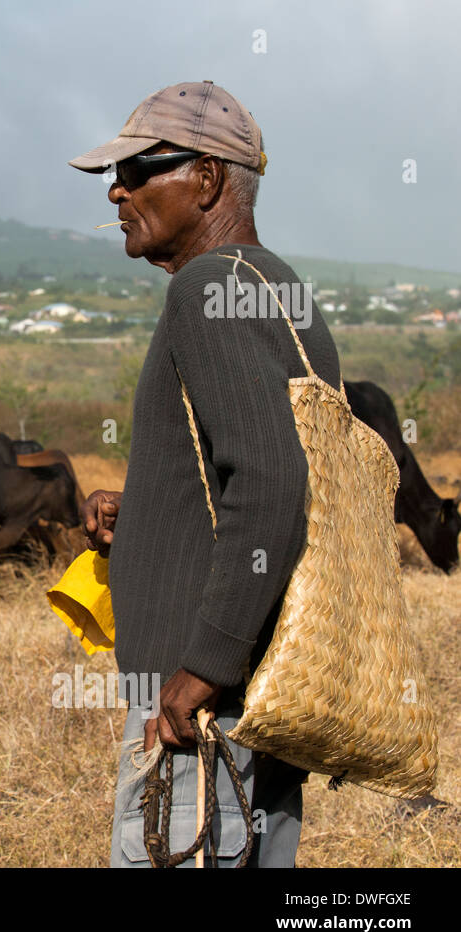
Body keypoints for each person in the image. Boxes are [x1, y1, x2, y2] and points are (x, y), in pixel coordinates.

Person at [68, 81, 342, 867]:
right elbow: (258, 466)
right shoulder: (280, 288)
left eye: (138, 169)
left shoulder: (202, 289)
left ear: (208, 178)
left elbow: (272, 482)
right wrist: (152, 506)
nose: (117, 190)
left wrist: (205, 666)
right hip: (274, 685)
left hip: (201, 707)